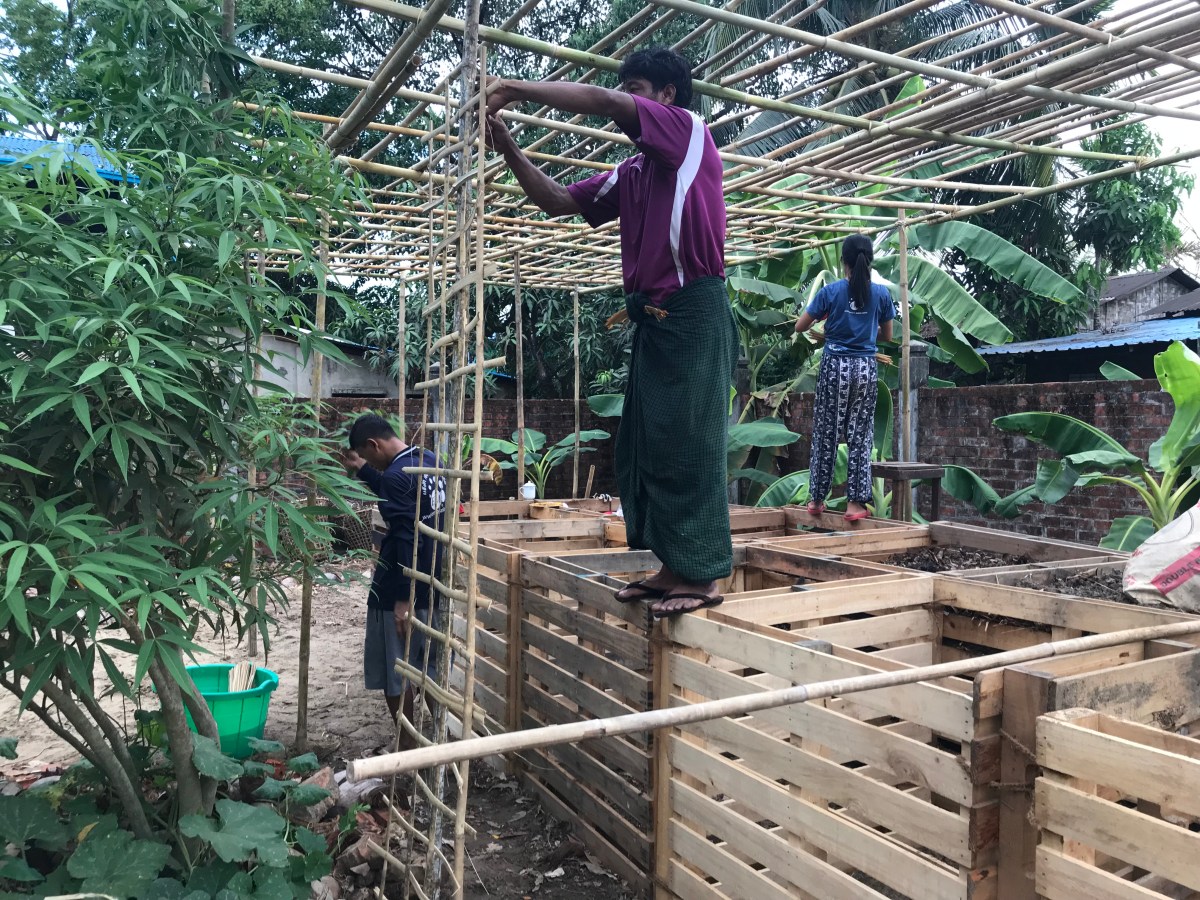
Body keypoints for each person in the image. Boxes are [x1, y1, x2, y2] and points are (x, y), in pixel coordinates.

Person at [485, 47, 737, 618]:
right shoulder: (635, 172)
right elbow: (555, 201)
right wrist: (508, 147)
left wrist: (516, 88)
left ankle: (703, 575)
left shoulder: (688, 132)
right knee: (646, 443)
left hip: (694, 311)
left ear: (668, 96)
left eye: (640, 88)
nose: (629, 98)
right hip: (654, 319)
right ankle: (673, 565)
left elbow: (602, 102)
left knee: (691, 444)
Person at [343, 414, 447, 747]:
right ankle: (443, 735)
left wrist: (404, 600)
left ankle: (406, 744)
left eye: (367, 455)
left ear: (373, 445)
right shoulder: (428, 461)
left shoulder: (395, 477)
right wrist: (363, 469)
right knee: (429, 665)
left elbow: (405, 536)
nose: (371, 461)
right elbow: (399, 496)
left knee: (396, 669)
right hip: (433, 582)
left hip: (395, 590)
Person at [794, 234, 895, 522]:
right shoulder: (882, 295)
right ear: (870, 261)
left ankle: (815, 500)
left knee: (827, 431)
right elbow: (887, 336)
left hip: (834, 367)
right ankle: (854, 505)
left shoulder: (831, 291)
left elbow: (801, 325)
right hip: (865, 368)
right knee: (859, 435)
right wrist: (863, 331)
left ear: (844, 261)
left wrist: (833, 328)